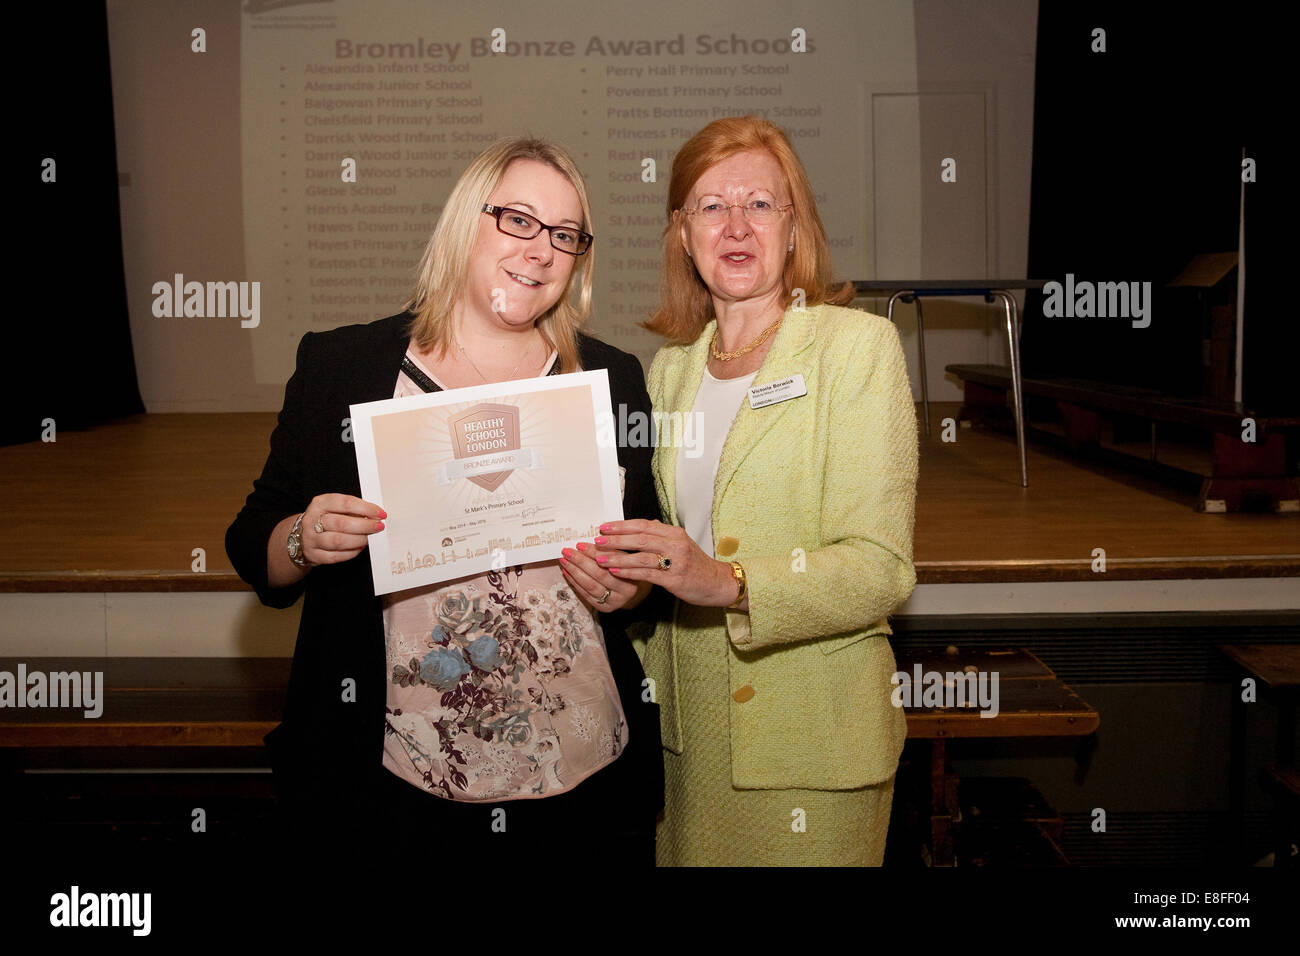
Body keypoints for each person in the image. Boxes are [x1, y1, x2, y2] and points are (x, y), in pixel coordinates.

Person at [224, 138, 663, 872]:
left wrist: (631, 587)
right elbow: (252, 547)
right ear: (467, 220)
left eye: (565, 234)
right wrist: (303, 537)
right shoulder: (343, 369)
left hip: (581, 773)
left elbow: (645, 560)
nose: (541, 250)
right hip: (395, 783)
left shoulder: (610, 379)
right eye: (518, 220)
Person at [567, 116, 918, 865]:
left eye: (760, 204)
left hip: (812, 745)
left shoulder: (855, 349)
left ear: (794, 228)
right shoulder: (668, 372)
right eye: (711, 206)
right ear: (682, 234)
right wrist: (625, 584)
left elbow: (880, 568)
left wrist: (727, 581)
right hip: (686, 739)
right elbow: (662, 551)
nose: (736, 225)